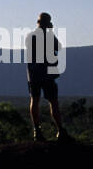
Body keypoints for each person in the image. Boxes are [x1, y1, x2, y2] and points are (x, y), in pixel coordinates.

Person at [25, 12, 69, 142]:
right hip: (47, 74)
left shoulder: (30, 36)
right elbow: (59, 47)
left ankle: (37, 130)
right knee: (53, 102)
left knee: (34, 100)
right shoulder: (48, 35)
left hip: (33, 75)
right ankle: (60, 130)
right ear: (47, 23)